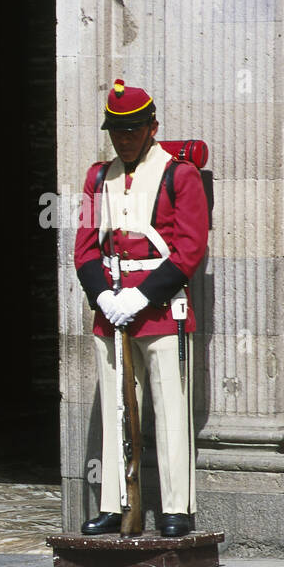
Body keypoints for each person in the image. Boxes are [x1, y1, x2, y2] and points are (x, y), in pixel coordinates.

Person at [73, 79, 209, 537]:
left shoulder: (180, 176)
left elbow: (189, 250)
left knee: (170, 409)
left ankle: (176, 508)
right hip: (111, 313)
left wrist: (141, 295)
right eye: (117, 131)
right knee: (117, 410)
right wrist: (104, 297)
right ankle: (115, 503)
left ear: (152, 127)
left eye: (132, 130)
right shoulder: (97, 178)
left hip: (160, 310)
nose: (124, 139)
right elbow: (85, 249)